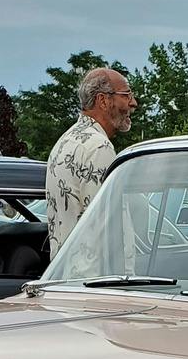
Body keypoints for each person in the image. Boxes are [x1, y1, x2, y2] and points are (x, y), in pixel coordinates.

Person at [43, 67, 136, 253]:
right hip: (96, 277)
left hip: (64, 272)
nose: (133, 103)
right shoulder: (99, 147)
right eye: (126, 95)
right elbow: (106, 226)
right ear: (103, 100)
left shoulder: (65, 141)